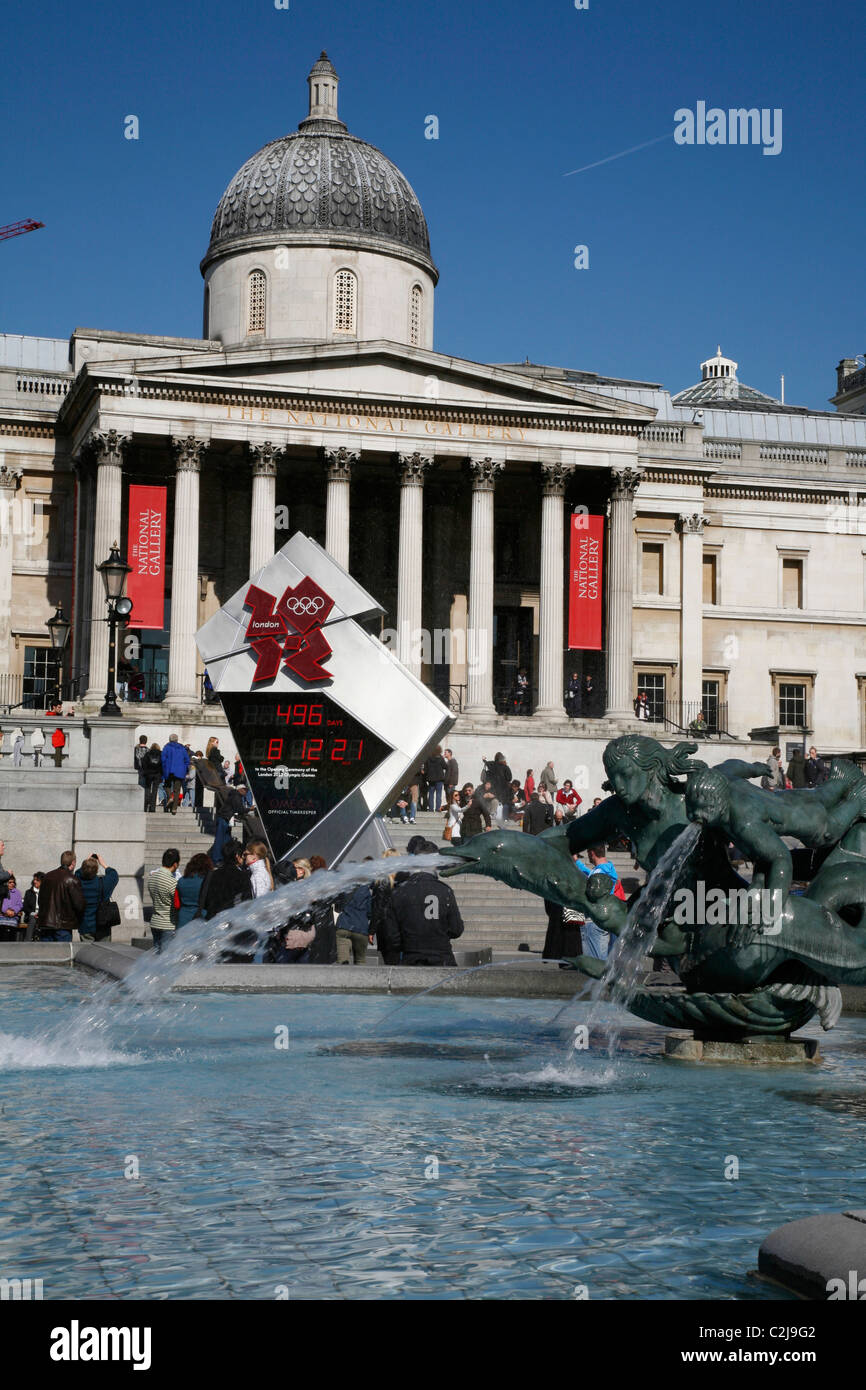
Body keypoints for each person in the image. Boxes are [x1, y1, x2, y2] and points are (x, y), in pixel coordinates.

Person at [379, 837, 464, 966]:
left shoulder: (399, 892)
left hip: (411, 958)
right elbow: (456, 929)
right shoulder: (444, 891)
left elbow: (391, 936)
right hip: (442, 959)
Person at [574, 844, 625, 958]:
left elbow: (593, 894)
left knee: (596, 960)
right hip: (605, 916)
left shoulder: (599, 873)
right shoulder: (607, 868)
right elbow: (591, 874)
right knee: (603, 959)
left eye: (588, 854)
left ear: (592, 853)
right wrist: (577, 861)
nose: (589, 857)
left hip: (594, 919)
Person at [199, 840, 253, 921]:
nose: (244, 858)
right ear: (237, 856)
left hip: (211, 921)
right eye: (243, 855)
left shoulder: (211, 875)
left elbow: (203, 900)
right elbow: (247, 902)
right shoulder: (242, 876)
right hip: (232, 923)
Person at [39, 850, 85, 942]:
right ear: (73, 862)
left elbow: (40, 900)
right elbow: (79, 905)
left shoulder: (47, 876)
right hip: (63, 926)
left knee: (46, 954)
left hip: (46, 923)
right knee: (63, 954)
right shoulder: (72, 879)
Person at [75, 854, 120, 943]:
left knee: (87, 954)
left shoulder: (78, 882)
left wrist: (86, 862)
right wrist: (104, 864)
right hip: (103, 924)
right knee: (104, 953)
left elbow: (77, 872)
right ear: (96, 870)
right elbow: (114, 875)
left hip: (85, 924)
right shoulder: (103, 883)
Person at [147, 848, 181, 953]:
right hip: (167, 924)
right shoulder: (172, 882)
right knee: (165, 957)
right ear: (175, 864)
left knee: (156, 955)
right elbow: (177, 904)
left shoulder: (152, 877)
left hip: (155, 922)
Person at [370, 849, 400, 963]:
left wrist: (372, 930)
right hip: (402, 927)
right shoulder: (404, 879)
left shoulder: (382, 881)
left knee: (389, 962)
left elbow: (377, 907)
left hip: (386, 927)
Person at [173, 852, 213, 929]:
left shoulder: (181, 881)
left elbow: (177, 901)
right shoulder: (206, 881)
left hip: (183, 917)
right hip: (201, 917)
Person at [210, 779, 247, 862]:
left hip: (226, 819)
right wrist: (249, 809)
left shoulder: (235, 795)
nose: (246, 792)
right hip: (224, 818)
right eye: (245, 790)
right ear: (240, 790)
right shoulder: (236, 796)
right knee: (220, 840)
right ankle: (216, 859)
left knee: (226, 840)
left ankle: (224, 857)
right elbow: (239, 809)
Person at [335, 881, 372, 964]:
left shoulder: (343, 886)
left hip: (344, 926)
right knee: (360, 961)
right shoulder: (365, 889)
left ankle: (342, 976)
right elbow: (370, 911)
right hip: (361, 928)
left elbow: (337, 908)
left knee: (342, 961)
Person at [161, 733, 190, 815]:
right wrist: (184, 769)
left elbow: (163, 759)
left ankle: (170, 797)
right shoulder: (182, 748)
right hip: (180, 771)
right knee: (177, 790)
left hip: (169, 770)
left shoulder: (167, 747)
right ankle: (174, 809)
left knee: (167, 785)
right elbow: (187, 760)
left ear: (169, 739)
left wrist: (164, 768)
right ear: (177, 740)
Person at [424, 746, 447, 813]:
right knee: (438, 794)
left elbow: (426, 769)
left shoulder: (428, 758)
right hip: (439, 779)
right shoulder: (440, 758)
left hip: (431, 779)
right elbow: (445, 766)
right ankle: (437, 809)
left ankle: (431, 809)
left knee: (431, 794)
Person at [0, 875, 24, 940]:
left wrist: (14, 911)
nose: (12, 884)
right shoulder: (1, 892)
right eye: (10, 882)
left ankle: (11, 943)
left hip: (13, 915)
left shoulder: (17, 892)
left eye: (13, 882)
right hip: (2, 914)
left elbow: (20, 904)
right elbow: (1, 904)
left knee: (12, 927)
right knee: (2, 926)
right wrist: (6, 911)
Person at [21, 872, 43, 941]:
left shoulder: (45, 892)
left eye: (37, 880)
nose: (35, 881)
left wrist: (40, 914)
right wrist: (32, 913)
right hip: (31, 914)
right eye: (34, 880)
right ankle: (27, 940)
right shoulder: (29, 892)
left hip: (42, 915)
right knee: (33, 919)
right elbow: (25, 906)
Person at [142, 741, 163, 812]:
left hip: (148, 774)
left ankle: (145, 806)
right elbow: (162, 765)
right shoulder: (161, 754)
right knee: (155, 791)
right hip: (157, 774)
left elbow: (144, 764)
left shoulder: (148, 753)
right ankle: (152, 808)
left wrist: (145, 772)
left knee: (147, 789)